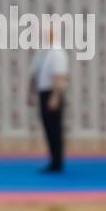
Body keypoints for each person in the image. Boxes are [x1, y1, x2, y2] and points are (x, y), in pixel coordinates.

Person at [28, 24, 69, 173]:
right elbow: (34, 74)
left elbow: (60, 76)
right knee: (48, 128)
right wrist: (30, 93)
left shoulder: (58, 53)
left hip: (52, 93)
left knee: (55, 129)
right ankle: (52, 159)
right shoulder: (42, 52)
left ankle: (57, 162)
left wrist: (56, 96)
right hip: (42, 93)